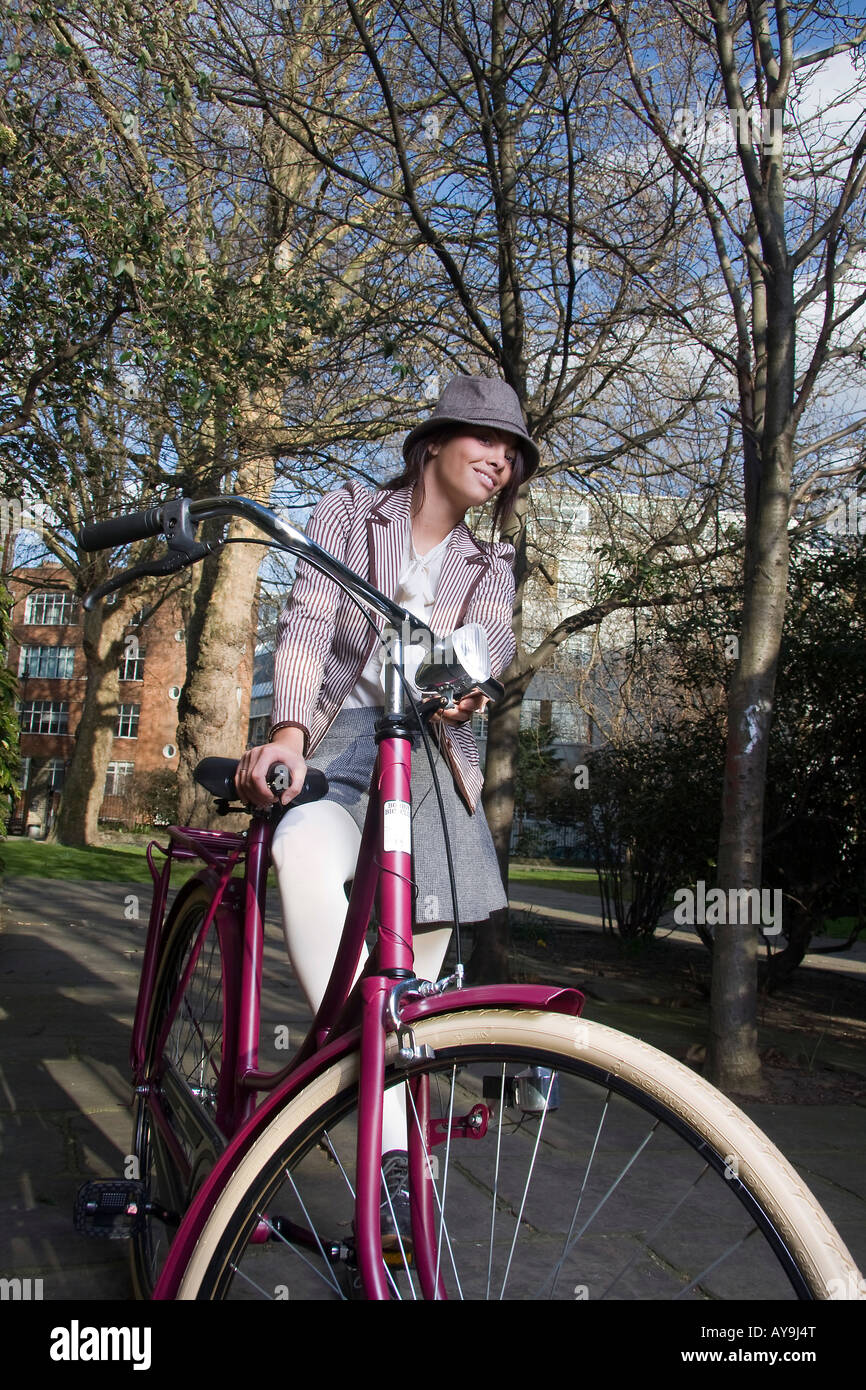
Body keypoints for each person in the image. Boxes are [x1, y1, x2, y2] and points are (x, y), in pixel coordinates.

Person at [235, 374, 538, 1238]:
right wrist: (288, 734)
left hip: (431, 765)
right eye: (485, 438)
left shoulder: (491, 564)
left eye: (512, 449)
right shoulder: (348, 511)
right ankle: (365, 1083)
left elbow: (489, 655)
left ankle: (393, 1146)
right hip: (338, 739)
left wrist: (463, 693)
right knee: (303, 852)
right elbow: (308, 621)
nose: (500, 459)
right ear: (435, 441)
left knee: (416, 956)